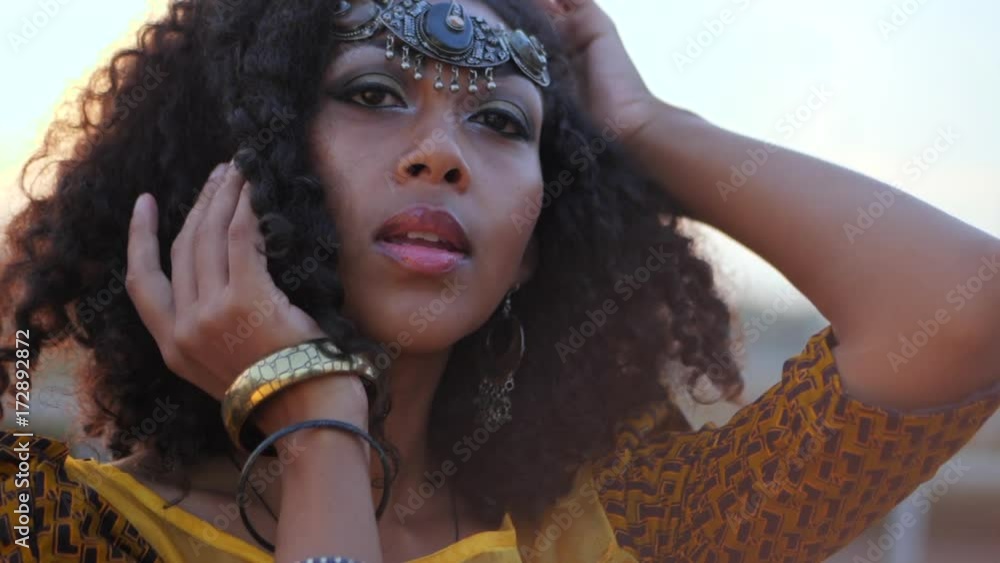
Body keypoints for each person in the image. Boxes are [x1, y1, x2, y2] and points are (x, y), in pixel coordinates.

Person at [1, 0, 998, 561]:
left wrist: (649, 130)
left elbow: (963, 306)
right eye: (373, 94)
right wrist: (314, 426)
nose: (441, 152)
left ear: (533, 243)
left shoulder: (631, 530)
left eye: (501, 122)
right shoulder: (48, 526)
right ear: (233, 167)